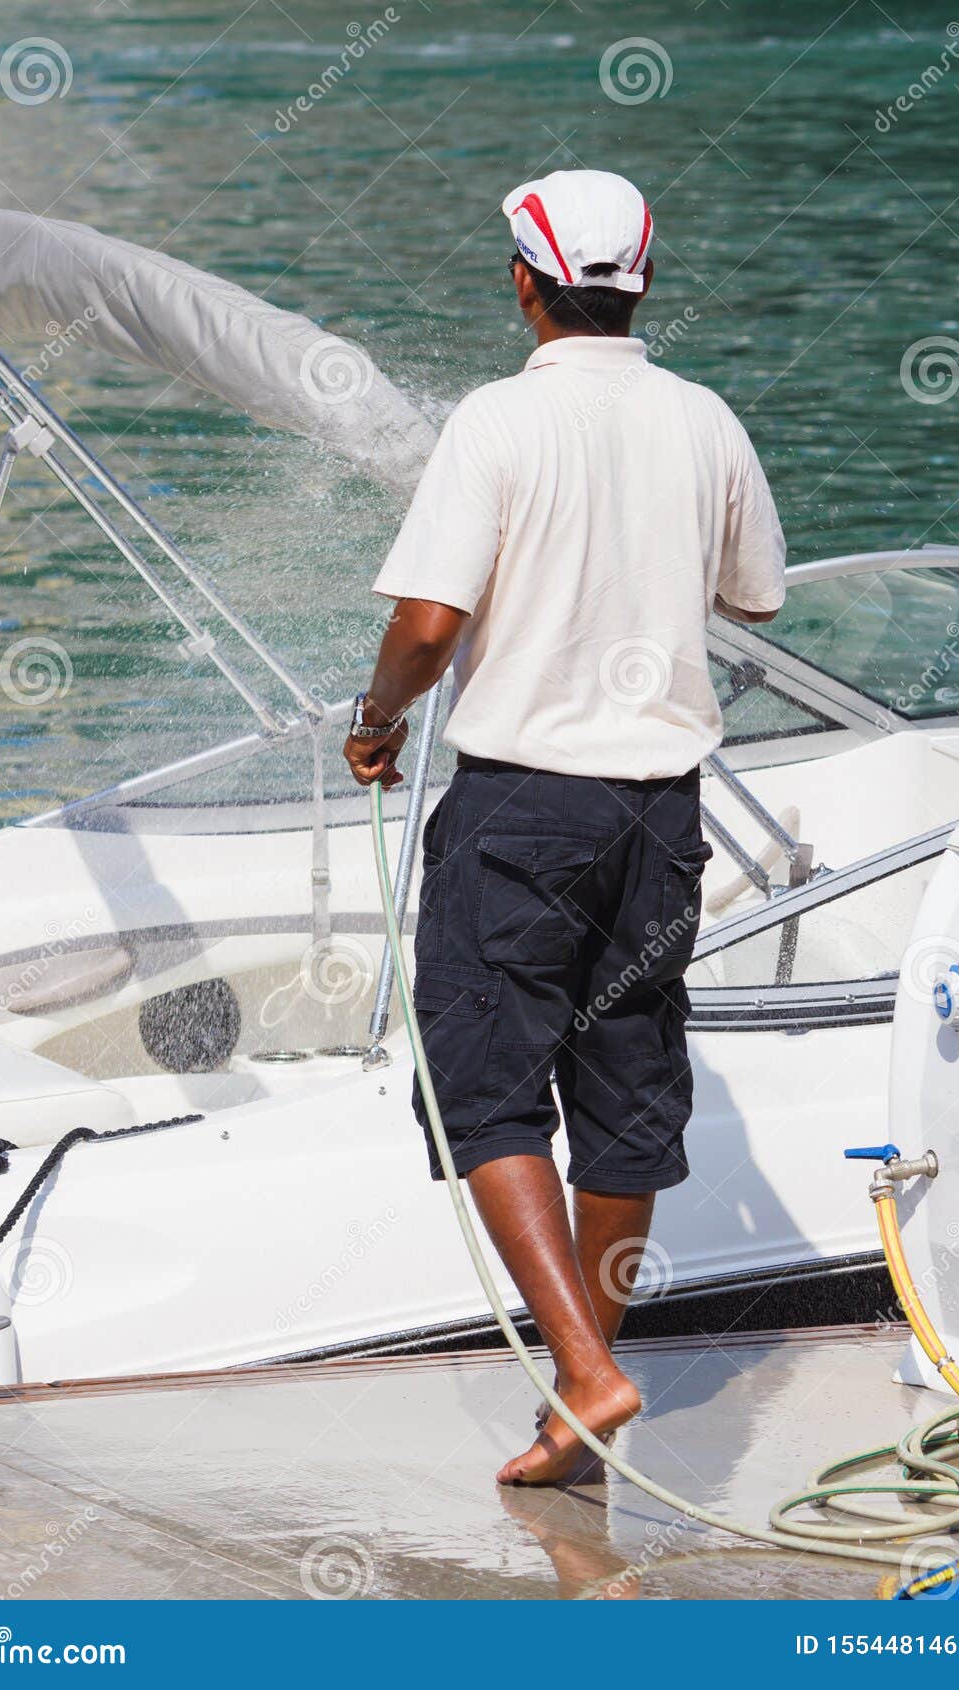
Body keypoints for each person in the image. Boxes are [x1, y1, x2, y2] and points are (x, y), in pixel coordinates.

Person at [344, 168, 785, 1485]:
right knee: (623, 1101)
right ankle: (585, 1397)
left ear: (525, 285)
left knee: (484, 1089)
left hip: (524, 809)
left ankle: (586, 1368)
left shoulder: (494, 423)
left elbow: (427, 623)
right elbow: (752, 594)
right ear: (640, 280)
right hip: (660, 814)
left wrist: (376, 716)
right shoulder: (702, 418)